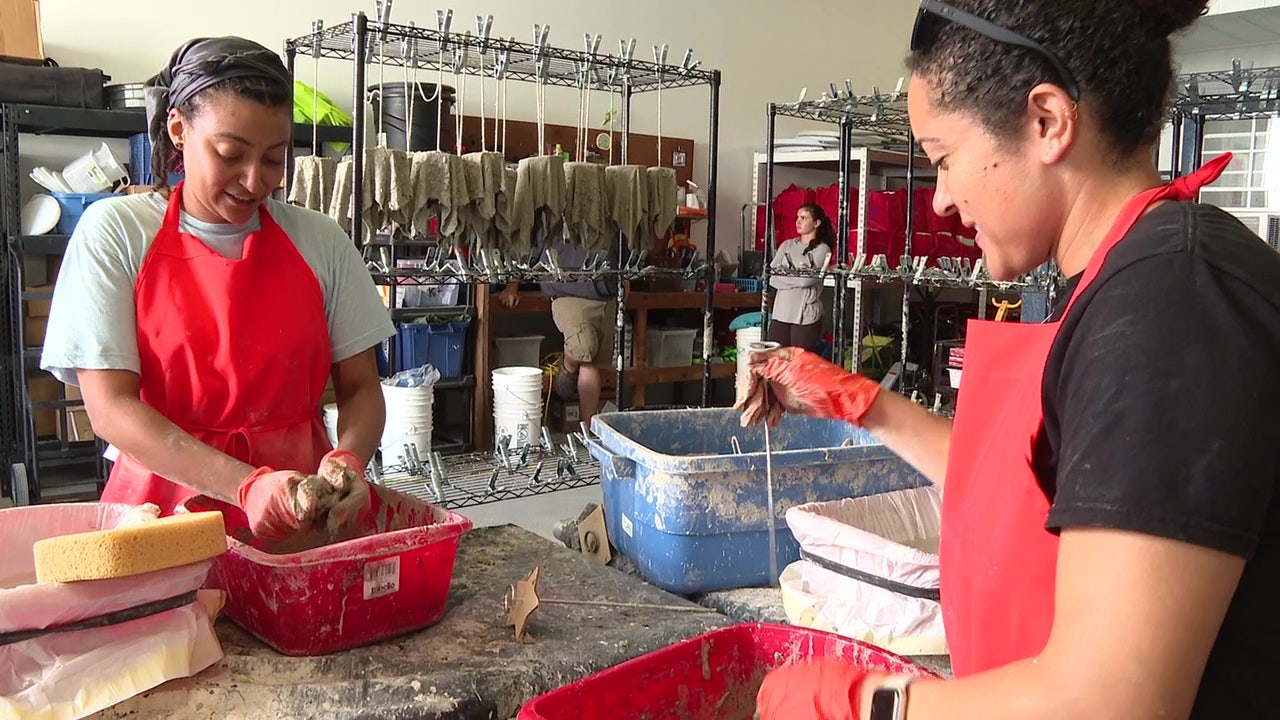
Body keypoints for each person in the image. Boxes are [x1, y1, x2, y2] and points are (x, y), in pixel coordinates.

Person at [742, 1, 1280, 718]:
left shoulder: (1173, 301)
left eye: (944, 159)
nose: (940, 201)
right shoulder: (1113, 278)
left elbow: (1108, 703)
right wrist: (857, 401)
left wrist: (867, 705)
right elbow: (1018, 491)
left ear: (1047, 122)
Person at [40, 37, 395, 542]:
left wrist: (349, 459)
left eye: (273, 159)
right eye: (231, 154)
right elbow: (110, 407)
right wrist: (246, 486)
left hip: (300, 513)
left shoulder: (321, 241)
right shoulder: (116, 233)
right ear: (179, 130)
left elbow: (360, 388)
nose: (253, 182)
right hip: (161, 517)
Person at [497, 233, 623, 431]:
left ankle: (589, 432)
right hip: (567, 290)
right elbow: (527, 242)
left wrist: (626, 280)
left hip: (606, 292)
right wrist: (512, 285)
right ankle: (568, 365)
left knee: (593, 361)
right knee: (584, 348)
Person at [767, 202, 834, 352]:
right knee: (776, 359)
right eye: (797, 217)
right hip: (781, 312)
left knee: (800, 361)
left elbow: (806, 280)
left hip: (805, 315)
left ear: (816, 223)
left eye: (804, 218)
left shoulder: (822, 249)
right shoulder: (787, 245)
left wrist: (785, 273)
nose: (798, 221)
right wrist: (796, 275)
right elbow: (772, 277)